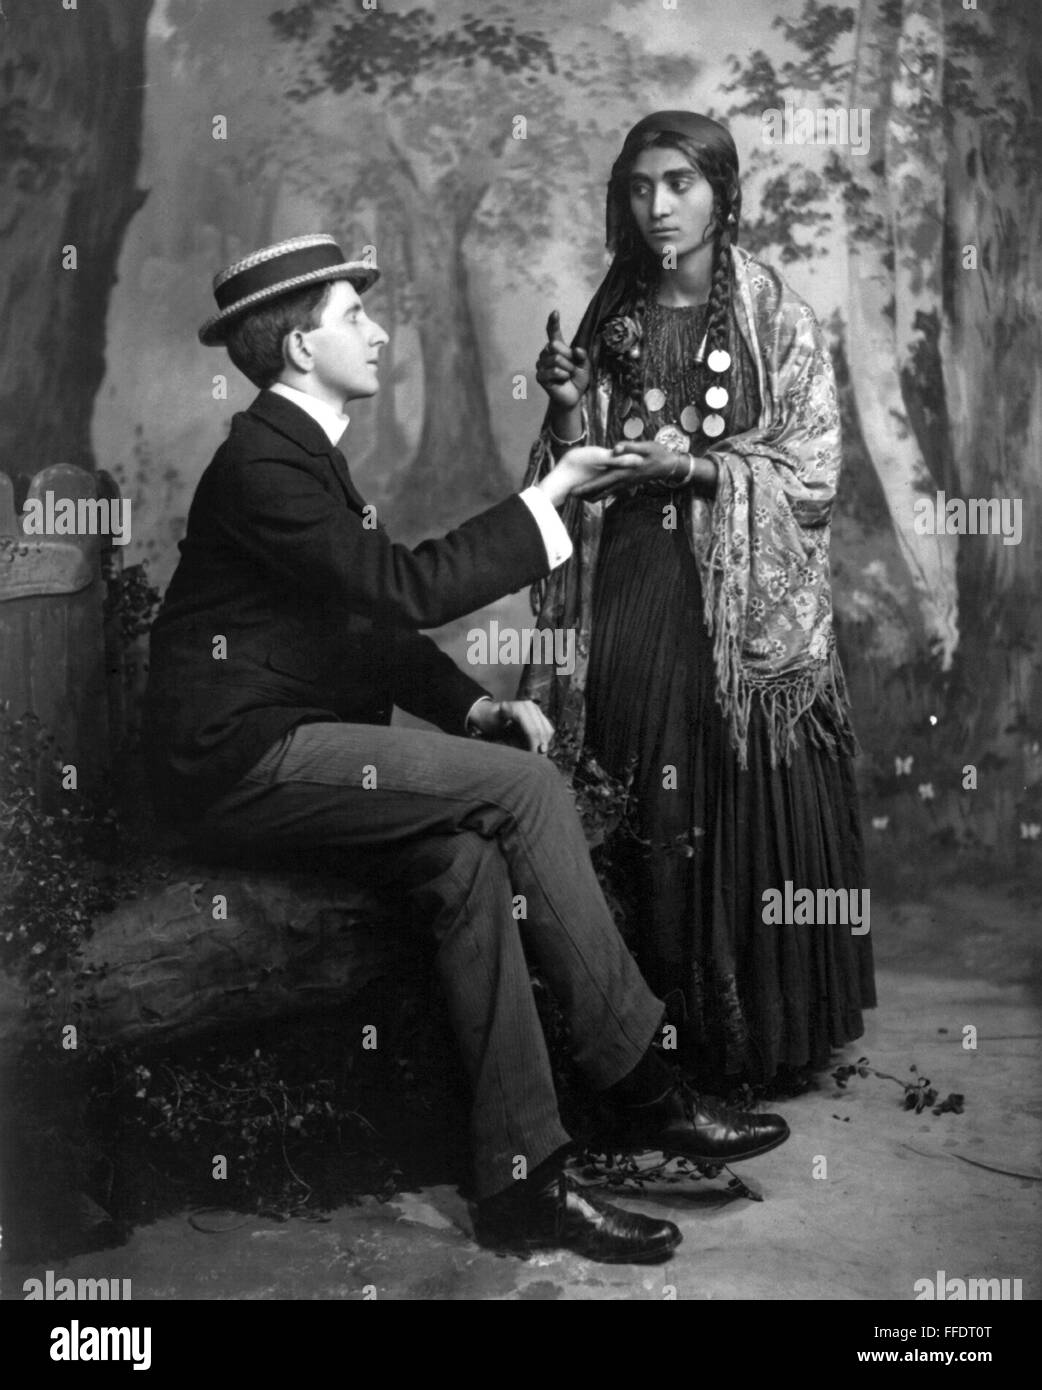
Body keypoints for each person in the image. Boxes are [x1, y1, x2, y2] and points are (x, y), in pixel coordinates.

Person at [143, 233, 790, 1266]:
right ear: (301, 346)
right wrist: (553, 496)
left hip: (283, 743)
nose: (380, 329)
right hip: (237, 759)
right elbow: (401, 591)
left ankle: (521, 1181)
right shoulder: (264, 462)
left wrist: (469, 709)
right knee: (528, 792)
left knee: (465, 865)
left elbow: (360, 621)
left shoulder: (301, 452)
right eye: (356, 316)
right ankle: (645, 1091)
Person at [523, 112, 876, 1090]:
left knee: (730, 778)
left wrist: (697, 466)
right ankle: (642, 1044)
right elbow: (571, 462)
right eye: (639, 188)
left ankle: (754, 1039)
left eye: (678, 183)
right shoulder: (614, 311)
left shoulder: (771, 311)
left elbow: (812, 472)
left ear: (721, 190)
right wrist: (564, 406)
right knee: (640, 777)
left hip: (737, 601)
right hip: (638, 581)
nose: (658, 206)